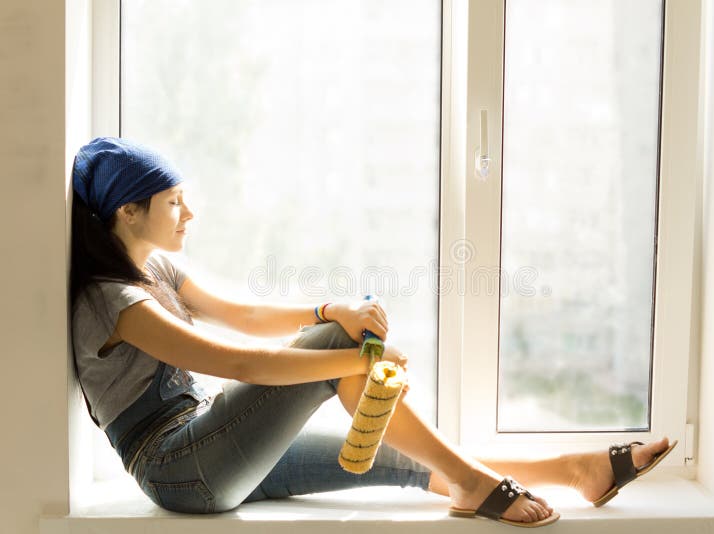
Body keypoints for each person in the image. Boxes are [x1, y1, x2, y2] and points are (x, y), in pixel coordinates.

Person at [69, 137, 676, 527]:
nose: (189, 215)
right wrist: (348, 358)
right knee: (341, 350)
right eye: (174, 202)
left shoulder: (154, 269)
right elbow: (244, 364)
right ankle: (473, 483)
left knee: (397, 459)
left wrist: (329, 310)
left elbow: (248, 317)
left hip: (214, 448)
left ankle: (575, 469)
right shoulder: (112, 300)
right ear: (128, 210)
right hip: (181, 469)